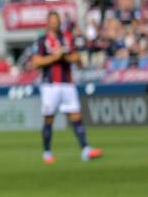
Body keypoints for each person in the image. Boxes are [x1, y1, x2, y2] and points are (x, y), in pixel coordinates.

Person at [29, 12, 102, 164]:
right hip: (50, 85)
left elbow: (77, 58)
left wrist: (64, 57)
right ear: (47, 22)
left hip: (67, 83)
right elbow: (36, 62)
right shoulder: (42, 40)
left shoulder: (67, 38)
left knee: (76, 116)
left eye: (57, 21)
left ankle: (85, 149)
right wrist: (54, 58)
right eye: (52, 21)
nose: (55, 23)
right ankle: (47, 152)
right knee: (49, 119)